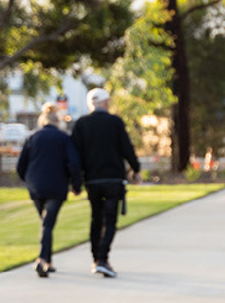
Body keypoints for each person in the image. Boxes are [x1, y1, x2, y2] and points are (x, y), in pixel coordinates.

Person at [71, 87, 141, 278]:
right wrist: (136, 169)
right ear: (106, 102)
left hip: (93, 179)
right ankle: (103, 258)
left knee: (96, 219)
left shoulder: (81, 124)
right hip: (113, 178)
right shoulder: (114, 122)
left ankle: (96, 259)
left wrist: (76, 180)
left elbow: (74, 155)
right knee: (110, 220)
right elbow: (127, 148)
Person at [16, 103, 82, 278]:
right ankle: (43, 259)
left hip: (36, 187)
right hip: (57, 187)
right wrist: (76, 185)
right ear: (57, 121)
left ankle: (48, 261)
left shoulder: (33, 138)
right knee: (48, 224)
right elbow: (74, 163)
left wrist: (28, 181)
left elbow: (21, 165)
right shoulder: (63, 138)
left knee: (46, 224)